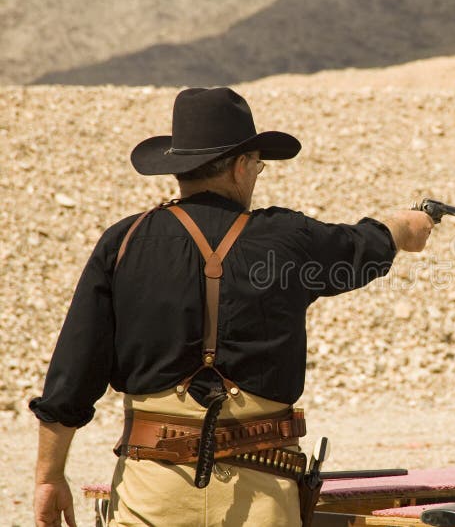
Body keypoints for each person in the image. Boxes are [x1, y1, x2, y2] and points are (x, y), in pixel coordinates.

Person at [31, 87, 434, 527]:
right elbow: (365, 246)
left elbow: (73, 375)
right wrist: (405, 225)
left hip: (152, 494)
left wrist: (48, 478)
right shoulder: (288, 238)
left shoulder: (124, 242)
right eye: (258, 165)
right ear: (241, 165)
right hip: (261, 497)